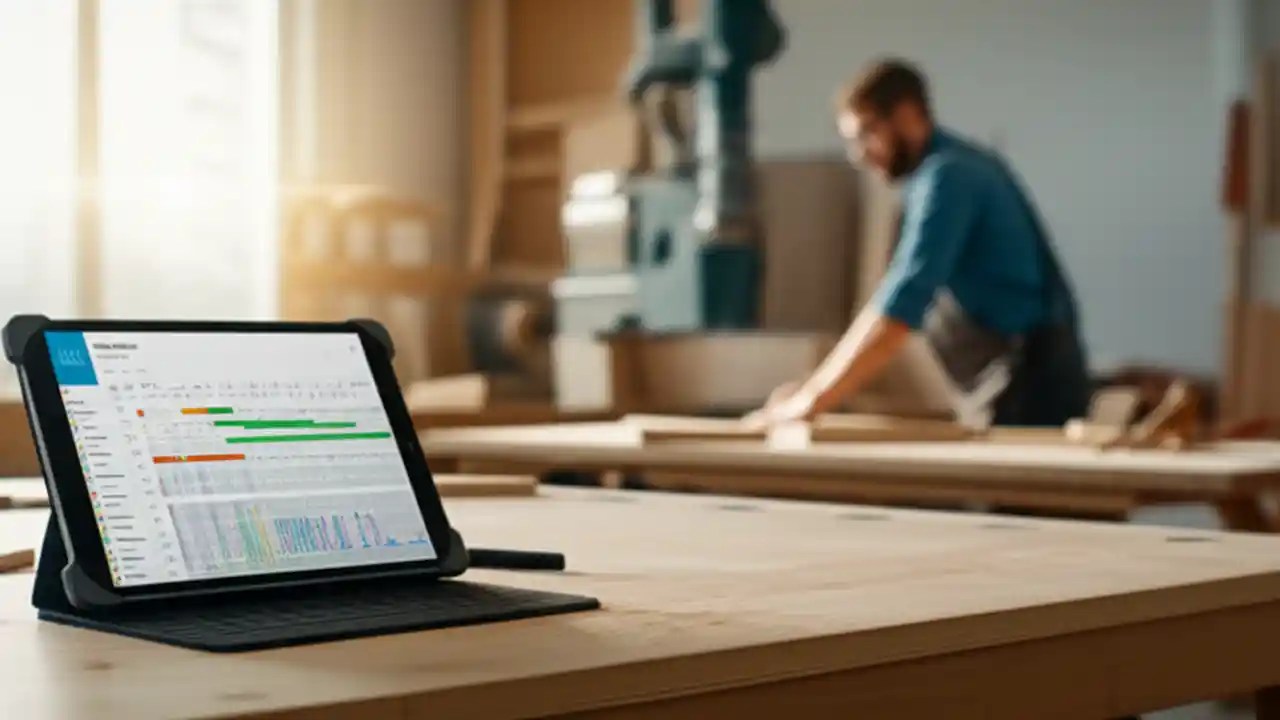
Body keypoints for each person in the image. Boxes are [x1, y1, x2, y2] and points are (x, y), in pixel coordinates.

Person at [746, 58, 1090, 429]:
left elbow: (901, 304)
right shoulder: (947, 171)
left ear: (908, 116)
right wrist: (814, 388)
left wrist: (811, 400)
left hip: (1029, 387)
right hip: (1009, 381)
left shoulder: (949, 177)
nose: (859, 154)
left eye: (866, 133)